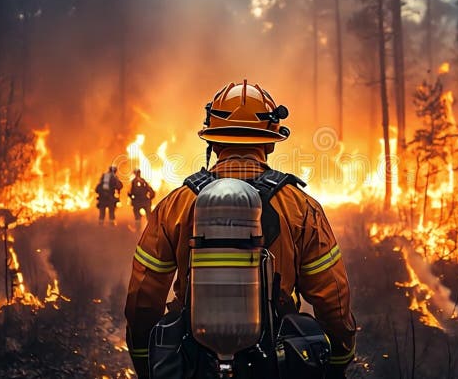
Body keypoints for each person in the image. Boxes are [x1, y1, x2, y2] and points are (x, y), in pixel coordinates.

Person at [124, 81, 356, 378]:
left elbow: (142, 299)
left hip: (194, 363)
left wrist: (146, 363)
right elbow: (333, 298)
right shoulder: (301, 208)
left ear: (213, 141)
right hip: (277, 362)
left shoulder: (176, 206)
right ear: (271, 142)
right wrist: (338, 360)